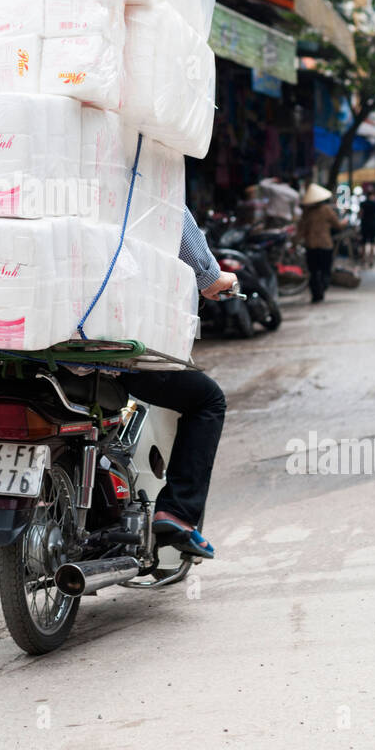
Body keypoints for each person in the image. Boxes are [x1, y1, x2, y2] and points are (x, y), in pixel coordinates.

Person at [118, 206, 237, 561]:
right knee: (207, 401)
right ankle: (177, 512)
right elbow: (207, 275)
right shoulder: (151, 182)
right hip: (113, 346)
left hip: (20, 351)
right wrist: (218, 279)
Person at [294, 182, 345, 302]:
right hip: (325, 245)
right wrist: (345, 223)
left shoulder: (306, 213)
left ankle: (316, 294)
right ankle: (323, 287)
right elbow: (338, 225)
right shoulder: (326, 210)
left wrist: (294, 242)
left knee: (313, 271)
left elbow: (300, 230)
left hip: (310, 245)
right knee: (325, 270)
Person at [358, 183, 375, 268]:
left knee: (363, 243)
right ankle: (371, 260)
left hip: (365, 224)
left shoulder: (363, 203)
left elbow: (360, 214)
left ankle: (363, 259)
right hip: (373, 224)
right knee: (372, 243)